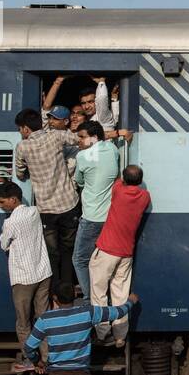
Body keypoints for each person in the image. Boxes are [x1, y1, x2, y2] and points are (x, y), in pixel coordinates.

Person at [13, 108, 81, 303]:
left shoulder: (22, 147)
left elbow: (20, 174)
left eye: (20, 129)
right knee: (68, 249)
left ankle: (55, 294)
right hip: (69, 204)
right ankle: (68, 291)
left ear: (26, 129)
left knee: (52, 253)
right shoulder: (57, 136)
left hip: (46, 209)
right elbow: (80, 140)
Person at [90, 164, 151, 346]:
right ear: (140, 181)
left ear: (124, 179)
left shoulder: (118, 191)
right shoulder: (145, 197)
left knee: (98, 291)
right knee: (120, 293)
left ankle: (102, 332)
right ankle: (120, 336)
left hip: (107, 249)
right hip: (126, 252)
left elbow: (117, 181)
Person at [0, 181, 52, 361]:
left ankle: (30, 358)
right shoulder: (34, 212)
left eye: (2, 202)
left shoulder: (10, 222)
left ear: (13, 200)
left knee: (23, 322)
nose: (0, 206)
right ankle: (48, 356)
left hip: (23, 277)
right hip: (43, 272)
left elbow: (4, 244)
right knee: (42, 318)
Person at [72, 120, 121, 297]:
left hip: (92, 217)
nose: (79, 141)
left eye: (82, 137)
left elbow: (79, 181)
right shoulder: (113, 150)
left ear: (93, 138)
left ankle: (89, 299)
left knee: (79, 260)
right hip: (110, 217)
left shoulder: (82, 157)